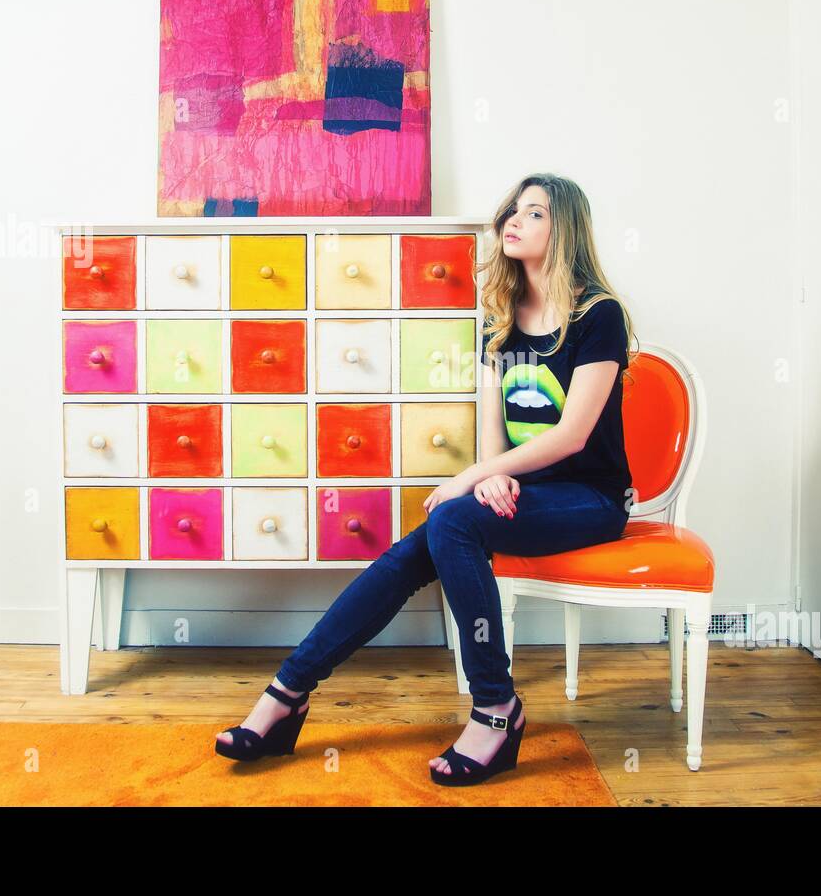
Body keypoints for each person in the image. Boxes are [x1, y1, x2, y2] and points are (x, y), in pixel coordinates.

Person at [215, 173, 639, 786]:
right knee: (418, 548)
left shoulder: (599, 315)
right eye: (512, 211)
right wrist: (494, 478)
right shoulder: (505, 315)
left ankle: (494, 707)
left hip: (591, 498)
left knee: (450, 519)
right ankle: (288, 692)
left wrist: (477, 476)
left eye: (536, 214)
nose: (514, 221)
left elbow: (573, 435)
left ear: (565, 228)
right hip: (529, 491)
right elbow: (493, 427)